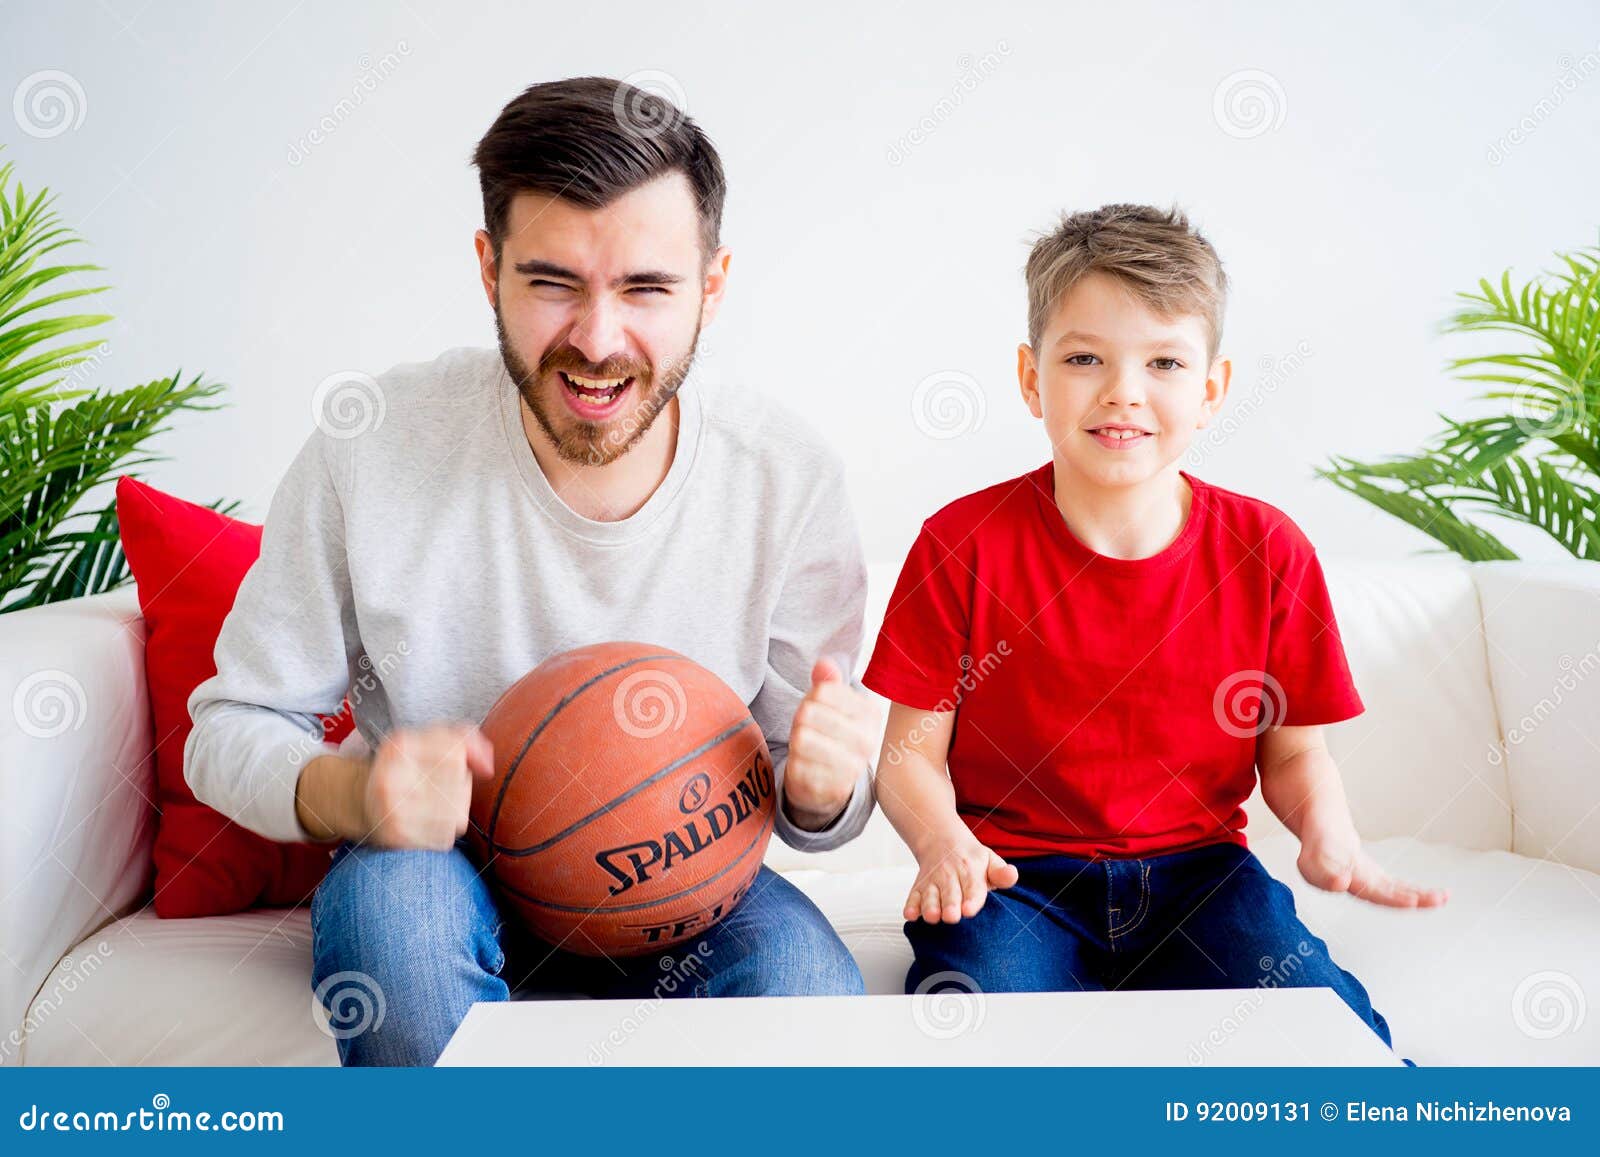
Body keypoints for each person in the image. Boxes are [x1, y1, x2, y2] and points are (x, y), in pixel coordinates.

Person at [185, 76, 879, 1066]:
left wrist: (821, 790)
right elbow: (230, 727)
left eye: (646, 288)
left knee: (808, 986)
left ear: (713, 286)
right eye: (552, 282)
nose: (598, 341)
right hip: (434, 867)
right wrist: (361, 794)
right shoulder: (370, 443)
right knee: (400, 940)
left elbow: (819, 805)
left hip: (676, 873)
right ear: (488, 268)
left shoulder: (786, 474)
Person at [862, 203, 1448, 1062]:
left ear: (1210, 389)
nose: (1122, 391)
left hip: (1201, 881)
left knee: (1328, 1037)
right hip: (1016, 883)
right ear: (1032, 379)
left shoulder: (1269, 550)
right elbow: (909, 754)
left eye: (1164, 361)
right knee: (972, 1038)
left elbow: (1292, 755)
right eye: (1084, 358)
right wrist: (943, 841)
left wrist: (1328, 833)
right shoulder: (960, 543)